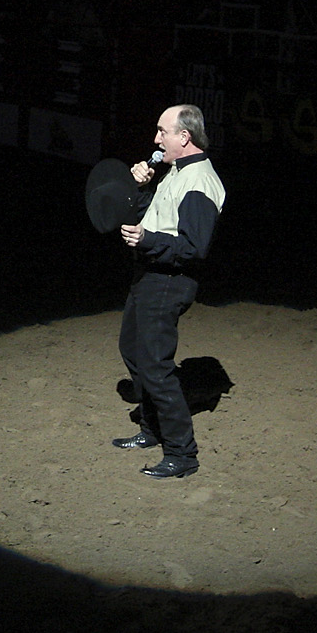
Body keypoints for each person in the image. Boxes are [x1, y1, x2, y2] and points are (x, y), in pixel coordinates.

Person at [112, 104, 226, 479]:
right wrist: (143, 189)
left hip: (169, 281)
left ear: (184, 137)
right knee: (132, 348)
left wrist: (148, 241)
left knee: (156, 366)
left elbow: (194, 248)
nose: (156, 139)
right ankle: (152, 429)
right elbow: (154, 218)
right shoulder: (176, 171)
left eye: (163, 131)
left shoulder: (200, 183)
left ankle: (182, 454)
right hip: (150, 275)